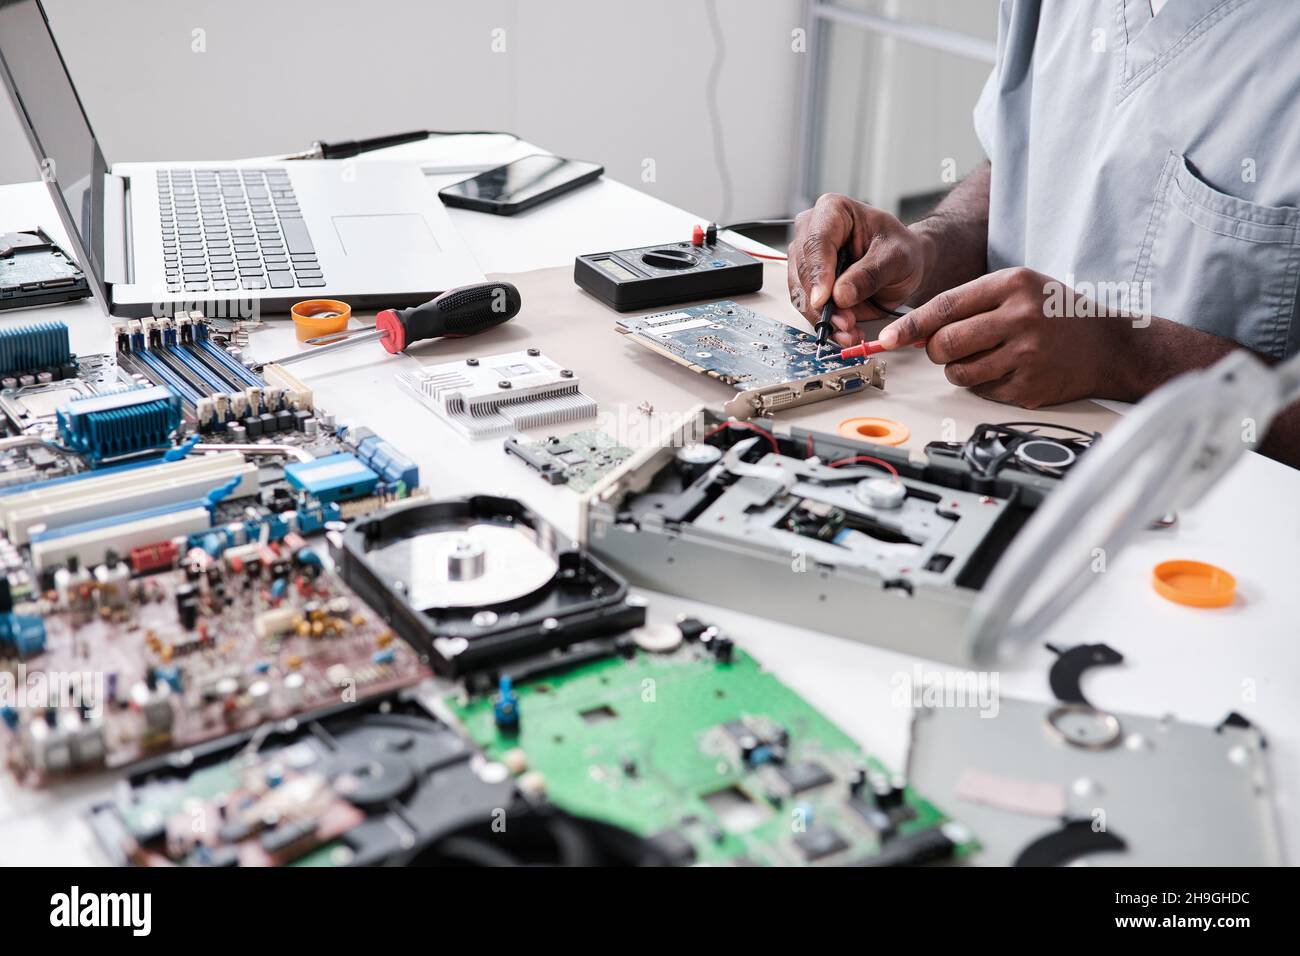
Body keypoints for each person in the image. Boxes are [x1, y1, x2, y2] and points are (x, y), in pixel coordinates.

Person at [787, 0, 1300, 467]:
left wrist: (1123, 355)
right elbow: (1021, 166)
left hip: (1217, 523)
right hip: (1002, 457)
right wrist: (924, 250)